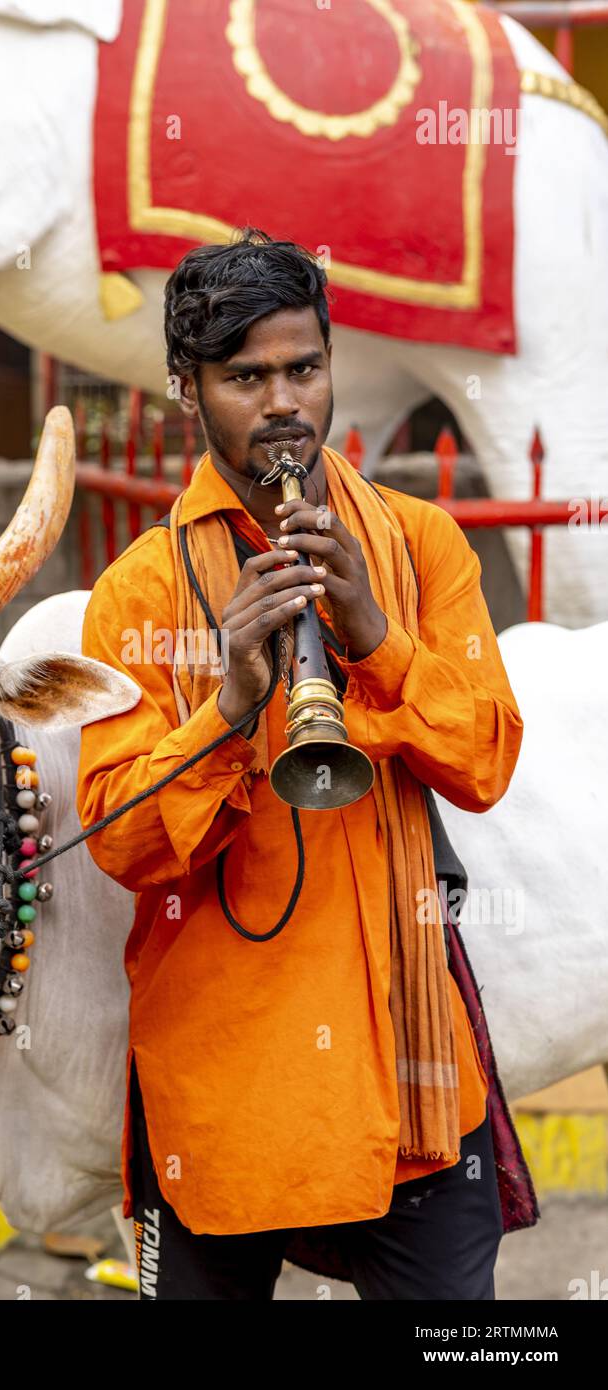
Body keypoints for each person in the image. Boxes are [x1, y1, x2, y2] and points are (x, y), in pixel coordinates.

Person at [75, 227, 538, 1301]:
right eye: (243, 377)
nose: (282, 402)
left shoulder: (420, 544)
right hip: (223, 1090)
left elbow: (481, 760)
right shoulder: (136, 595)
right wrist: (231, 705)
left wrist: (373, 633)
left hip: (410, 1082)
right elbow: (120, 845)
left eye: (303, 367)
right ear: (184, 392)